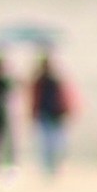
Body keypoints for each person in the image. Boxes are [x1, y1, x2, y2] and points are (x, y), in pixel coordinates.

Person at [28, 50, 72, 179]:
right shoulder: (38, 81)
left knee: (58, 144)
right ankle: (48, 168)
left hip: (56, 115)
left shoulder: (56, 80)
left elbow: (64, 96)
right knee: (45, 144)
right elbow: (34, 98)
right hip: (44, 115)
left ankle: (54, 166)